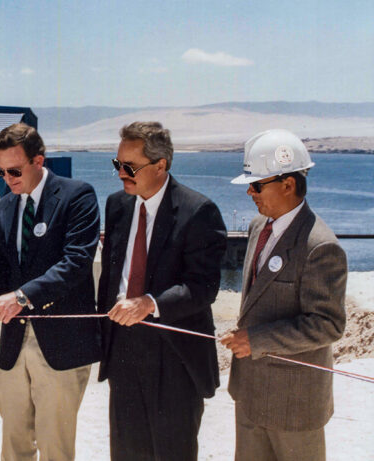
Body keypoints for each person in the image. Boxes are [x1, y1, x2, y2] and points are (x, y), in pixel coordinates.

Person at [0, 122, 101, 461]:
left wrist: (22, 297)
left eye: (14, 170)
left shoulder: (78, 196)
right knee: (14, 446)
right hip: (13, 349)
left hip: (61, 346)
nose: (7, 179)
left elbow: (75, 262)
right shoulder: (3, 209)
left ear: (39, 161)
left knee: (55, 447)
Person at [97, 121, 226, 460]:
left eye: (130, 167)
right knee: (126, 451)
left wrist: (149, 303)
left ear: (160, 166)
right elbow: (111, 276)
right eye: (117, 165)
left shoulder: (199, 211)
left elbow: (203, 287)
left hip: (174, 356)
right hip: (122, 351)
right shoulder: (116, 206)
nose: (121, 174)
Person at [221, 129, 347, 461]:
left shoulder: (320, 245)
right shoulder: (257, 227)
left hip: (294, 405)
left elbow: (327, 325)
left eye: (257, 184)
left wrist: (256, 340)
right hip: (249, 395)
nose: (249, 192)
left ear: (288, 185)